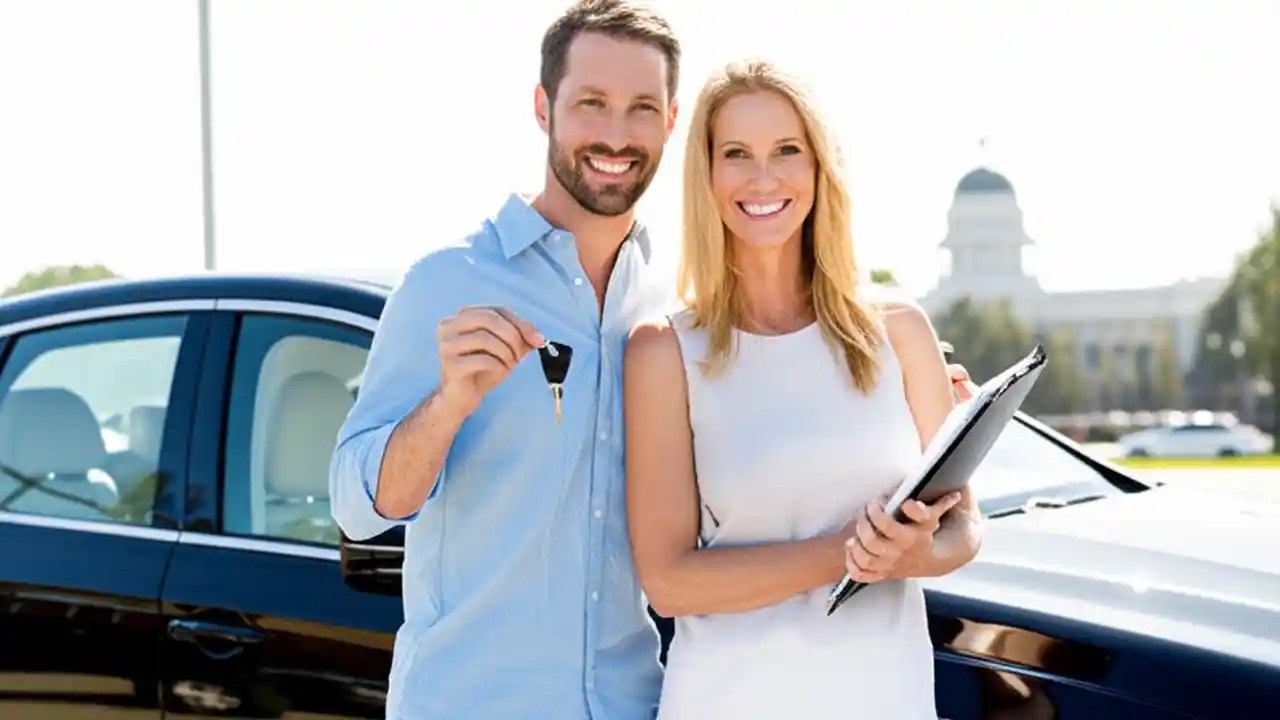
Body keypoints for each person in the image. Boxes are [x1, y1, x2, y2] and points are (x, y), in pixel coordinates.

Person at [328, 2, 682, 718]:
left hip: (630, 705)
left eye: (640, 107)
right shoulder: (446, 282)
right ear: (542, 106)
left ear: (671, 120)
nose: (616, 134)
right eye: (592, 104)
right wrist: (447, 406)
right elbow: (356, 508)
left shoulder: (672, 302)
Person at [622, 59, 985, 720]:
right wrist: (848, 552)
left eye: (787, 150)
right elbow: (669, 581)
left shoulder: (900, 330)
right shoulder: (664, 350)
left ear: (820, 168)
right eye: (737, 153)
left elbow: (962, 526)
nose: (764, 177)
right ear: (706, 174)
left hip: (886, 697)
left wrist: (914, 554)